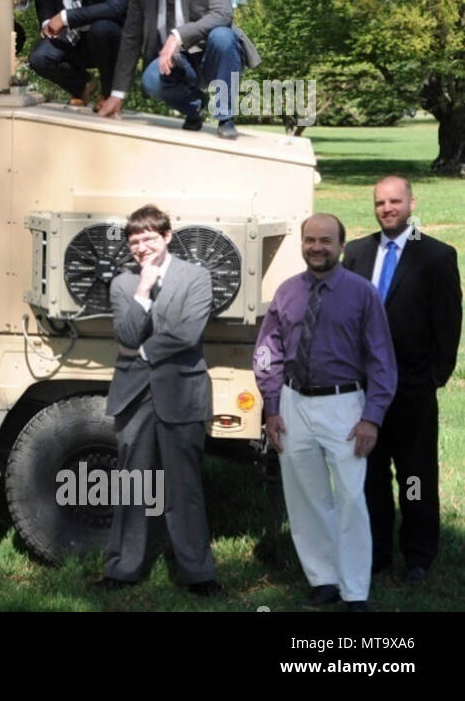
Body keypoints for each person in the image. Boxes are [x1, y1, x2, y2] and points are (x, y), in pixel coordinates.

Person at [254, 213, 398, 611]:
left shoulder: (362, 294)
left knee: (351, 497)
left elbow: (382, 359)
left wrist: (372, 416)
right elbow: (269, 352)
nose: (316, 248)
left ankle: (355, 592)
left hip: (344, 406)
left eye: (325, 241)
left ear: (341, 246)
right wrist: (271, 406)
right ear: (302, 244)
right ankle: (324, 581)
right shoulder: (286, 293)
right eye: (310, 240)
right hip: (293, 404)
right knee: (306, 498)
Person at [95, 204, 222, 596]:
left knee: (184, 488)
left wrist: (146, 353)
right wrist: (143, 290)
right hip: (134, 396)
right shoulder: (123, 284)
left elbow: (189, 333)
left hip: (181, 392)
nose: (142, 247)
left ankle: (198, 574)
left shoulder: (196, 277)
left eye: (149, 238)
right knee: (134, 484)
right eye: (134, 241)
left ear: (167, 236)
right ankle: (122, 568)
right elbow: (127, 336)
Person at [341, 176, 461, 583]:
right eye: (380, 202)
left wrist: (433, 379)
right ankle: (377, 553)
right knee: (371, 476)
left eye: (395, 201)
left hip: (412, 391)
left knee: (413, 477)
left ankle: (417, 554)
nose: (387, 208)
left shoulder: (436, 256)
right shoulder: (356, 253)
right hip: (363, 393)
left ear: (411, 203)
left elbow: (448, 325)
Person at [96, 0, 261, 139]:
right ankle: (195, 107)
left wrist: (177, 35)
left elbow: (223, 14)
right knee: (151, 79)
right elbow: (131, 38)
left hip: (212, 55)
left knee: (223, 36)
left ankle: (225, 116)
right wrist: (117, 94)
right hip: (176, 63)